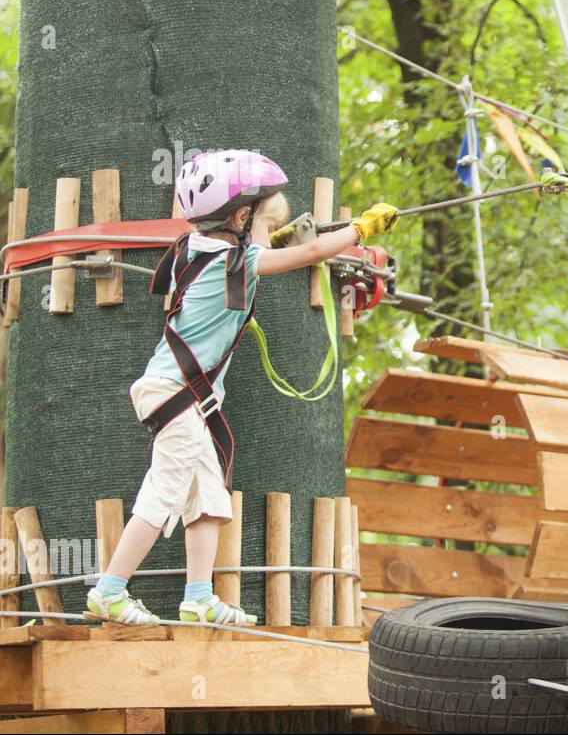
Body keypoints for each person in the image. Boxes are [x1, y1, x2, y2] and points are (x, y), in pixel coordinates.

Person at [84, 149, 398, 626]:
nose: (266, 237)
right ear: (239, 217)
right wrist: (361, 230)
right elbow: (310, 253)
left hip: (179, 395)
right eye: (263, 226)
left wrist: (271, 235)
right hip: (177, 393)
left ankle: (198, 597)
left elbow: (264, 249)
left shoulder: (194, 247)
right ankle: (110, 589)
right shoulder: (239, 260)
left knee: (208, 497)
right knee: (165, 491)